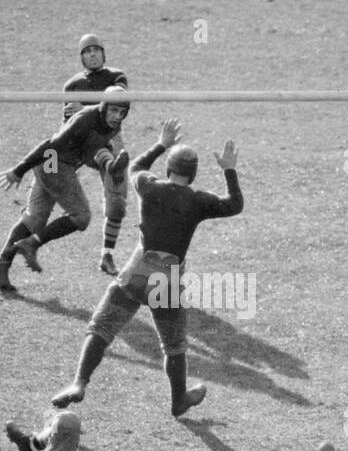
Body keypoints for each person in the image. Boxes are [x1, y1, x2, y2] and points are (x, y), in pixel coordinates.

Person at [50, 119, 243, 417]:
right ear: (193, 175)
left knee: (101, 326)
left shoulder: (148, 186)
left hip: (136, 272)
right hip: (167, 280)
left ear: (168, 169)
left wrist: (161, 144)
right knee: (174, 345)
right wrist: (229, 168)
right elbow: (234, 205)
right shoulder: (198, 201)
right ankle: (179, 399)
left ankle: (79, 382)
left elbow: (134, 167)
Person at [0, 86, 133, 293]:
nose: (117, 116)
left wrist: (110, 164)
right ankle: (31, 243)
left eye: (122, 112)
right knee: (81, 216)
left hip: (61, 163)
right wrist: (18, 170)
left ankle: (1, 263)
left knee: (36, 218)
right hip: (53, 161)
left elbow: (91, 151)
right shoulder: (85, 120)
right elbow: (50, 146)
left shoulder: (112, 126)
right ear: (104, 106)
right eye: (114, 110)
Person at [62, 34, 131, 276]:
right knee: (52, 167)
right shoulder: (72, 85)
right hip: (81, 141)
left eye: (96, 50)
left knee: (117, 201)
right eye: (86, 51)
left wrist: (87, 109)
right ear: (81, 57)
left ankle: (107, 254)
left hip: (110, 139)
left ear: (103, 53)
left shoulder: (116, 77)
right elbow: (68, 122)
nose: (92, 54)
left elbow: (119, 102)